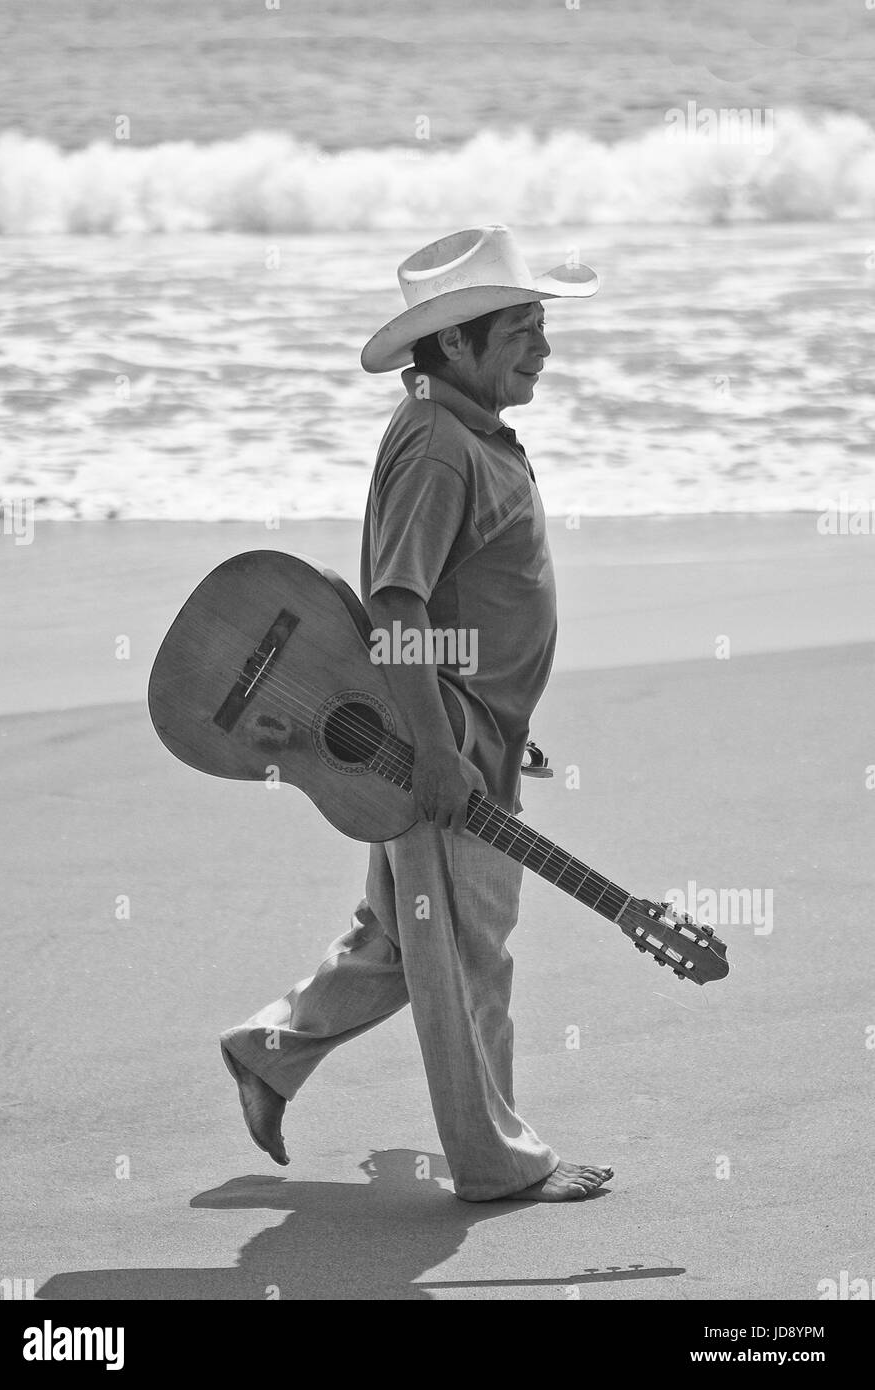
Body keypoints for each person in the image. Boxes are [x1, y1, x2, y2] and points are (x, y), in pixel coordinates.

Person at [220, 225, 614, 1201]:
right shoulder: (442, 448)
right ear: (458, 342)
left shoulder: (453, 424)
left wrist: (491, 712)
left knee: (399, 938)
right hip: (435, 762)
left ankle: (268, 1053)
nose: (543, 349)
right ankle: (496, 1162)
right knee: (468, 955)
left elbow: (444, 611)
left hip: (451, 735)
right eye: (520, 330)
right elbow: (396, 603)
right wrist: (440, 750)